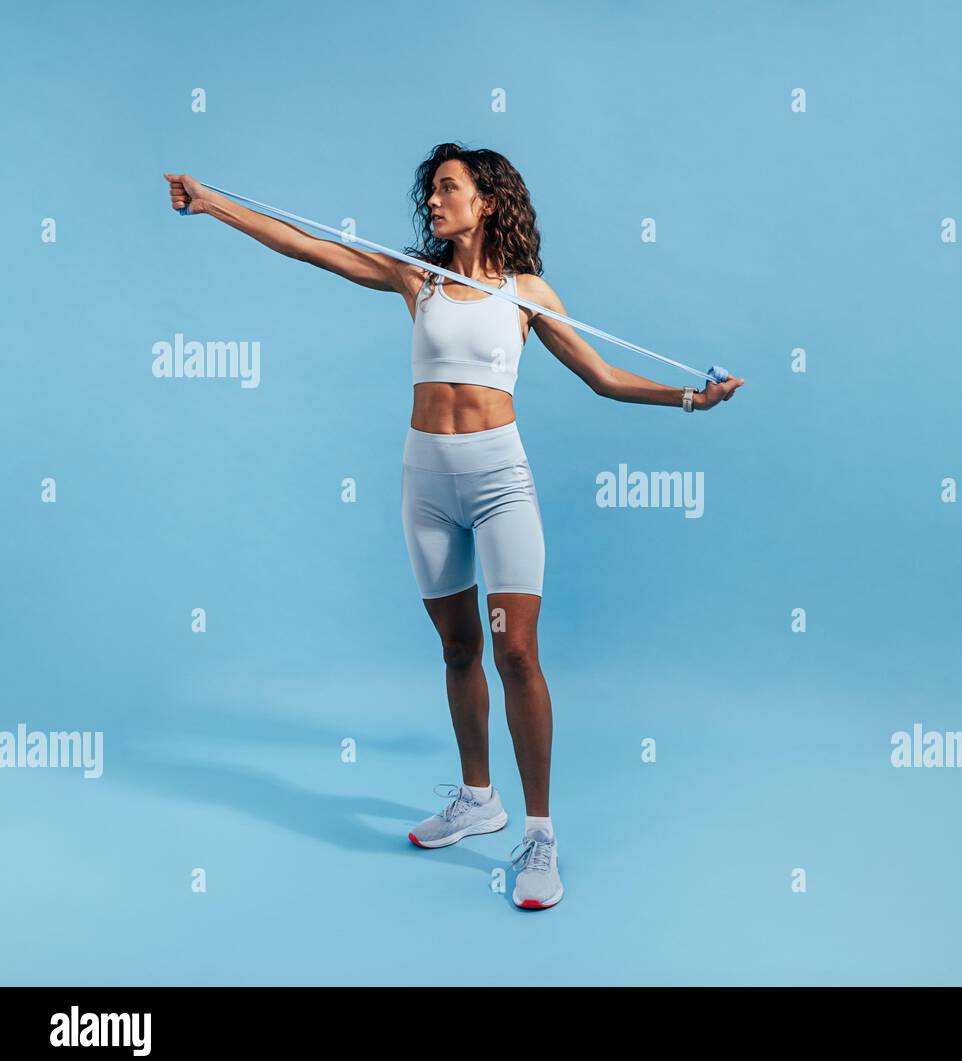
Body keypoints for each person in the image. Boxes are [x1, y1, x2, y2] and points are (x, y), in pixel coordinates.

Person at [163, 144, 744, 910]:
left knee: (516, 653)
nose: (432, 202)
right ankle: (480, 799)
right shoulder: (419, 279)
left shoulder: (527, 292)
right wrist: (211, 203)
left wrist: (688, 401)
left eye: (447, 189)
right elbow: (309, 246)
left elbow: (601, 377)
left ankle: (537, 833)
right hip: (426, 480)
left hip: (500, 480)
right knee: (458, 647)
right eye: (431, 191)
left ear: (487, 201)